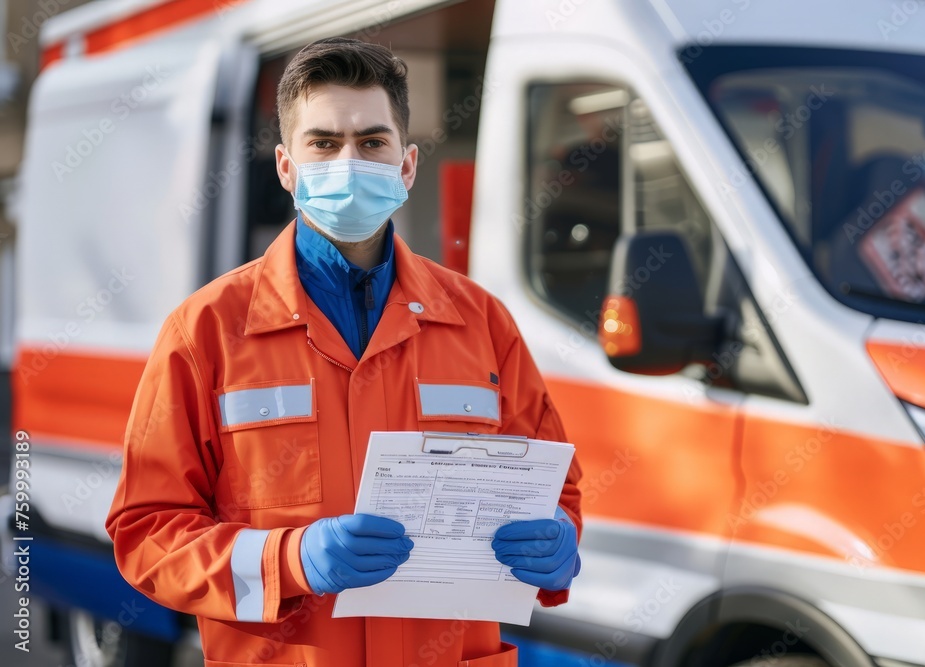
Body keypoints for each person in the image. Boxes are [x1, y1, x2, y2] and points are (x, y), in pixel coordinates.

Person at [106, 37, 583, 666]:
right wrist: (290, 560)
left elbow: (555, 485)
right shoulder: (206, 333)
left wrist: (561, 539)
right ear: (285, 166)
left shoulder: (481, 322)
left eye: (372, 142)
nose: (349, 161)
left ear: (407, 165)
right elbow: (147, 535)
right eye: (324, 144)